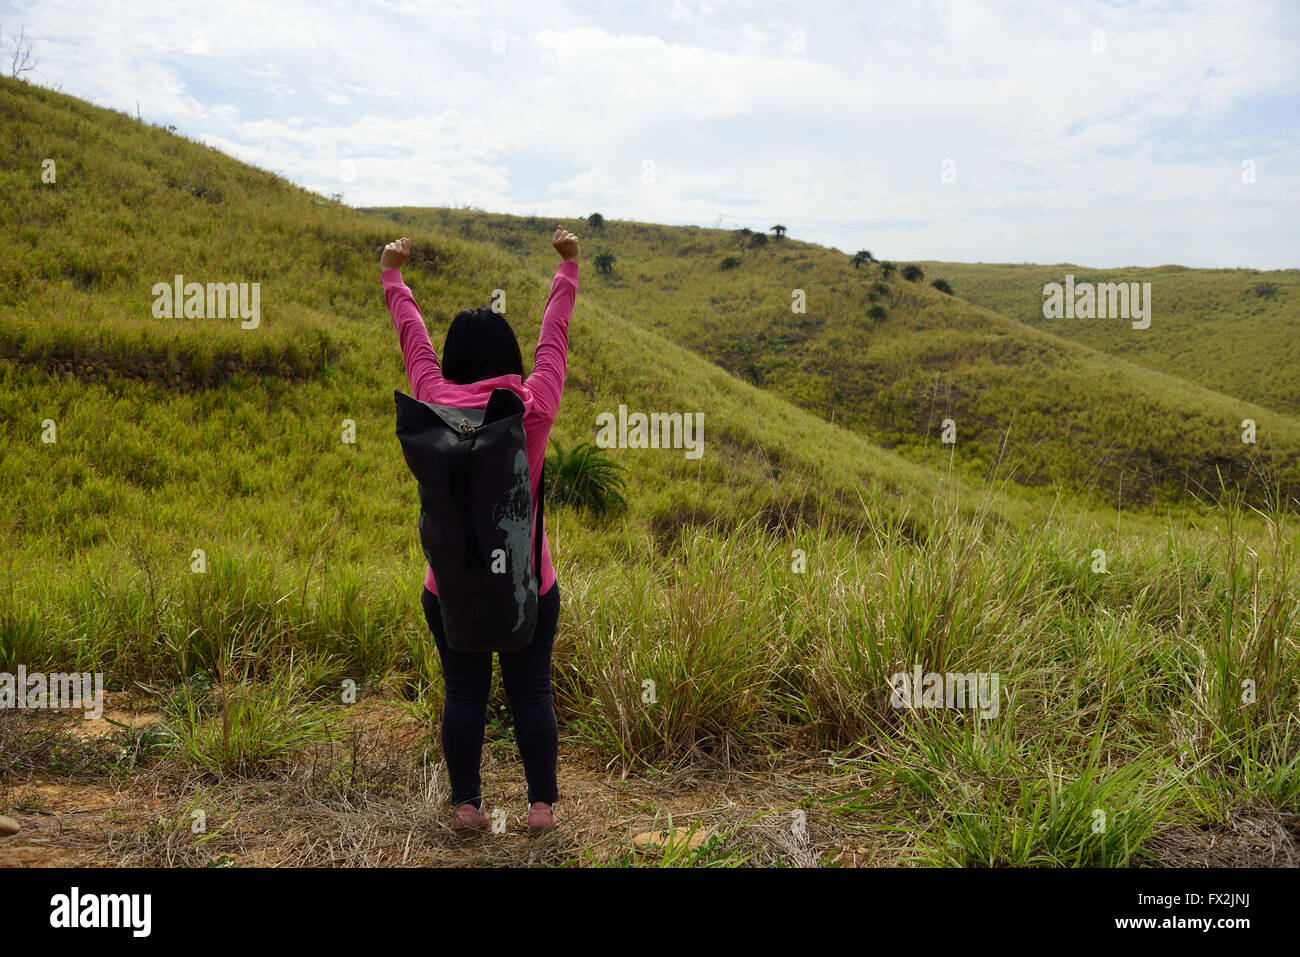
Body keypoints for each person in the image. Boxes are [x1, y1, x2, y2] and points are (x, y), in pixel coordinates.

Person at [380, 226, 580, 833]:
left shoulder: (432, 401)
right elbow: (555, 342)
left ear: (453, 359)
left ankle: (467, 806)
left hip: (449, 589)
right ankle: (540, 808)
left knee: (463, 694)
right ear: (511, 360)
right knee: (531, 693)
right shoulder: (532, 407)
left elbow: (414, 344)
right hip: (528, 585)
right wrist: (567, 270)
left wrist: (394, 277)